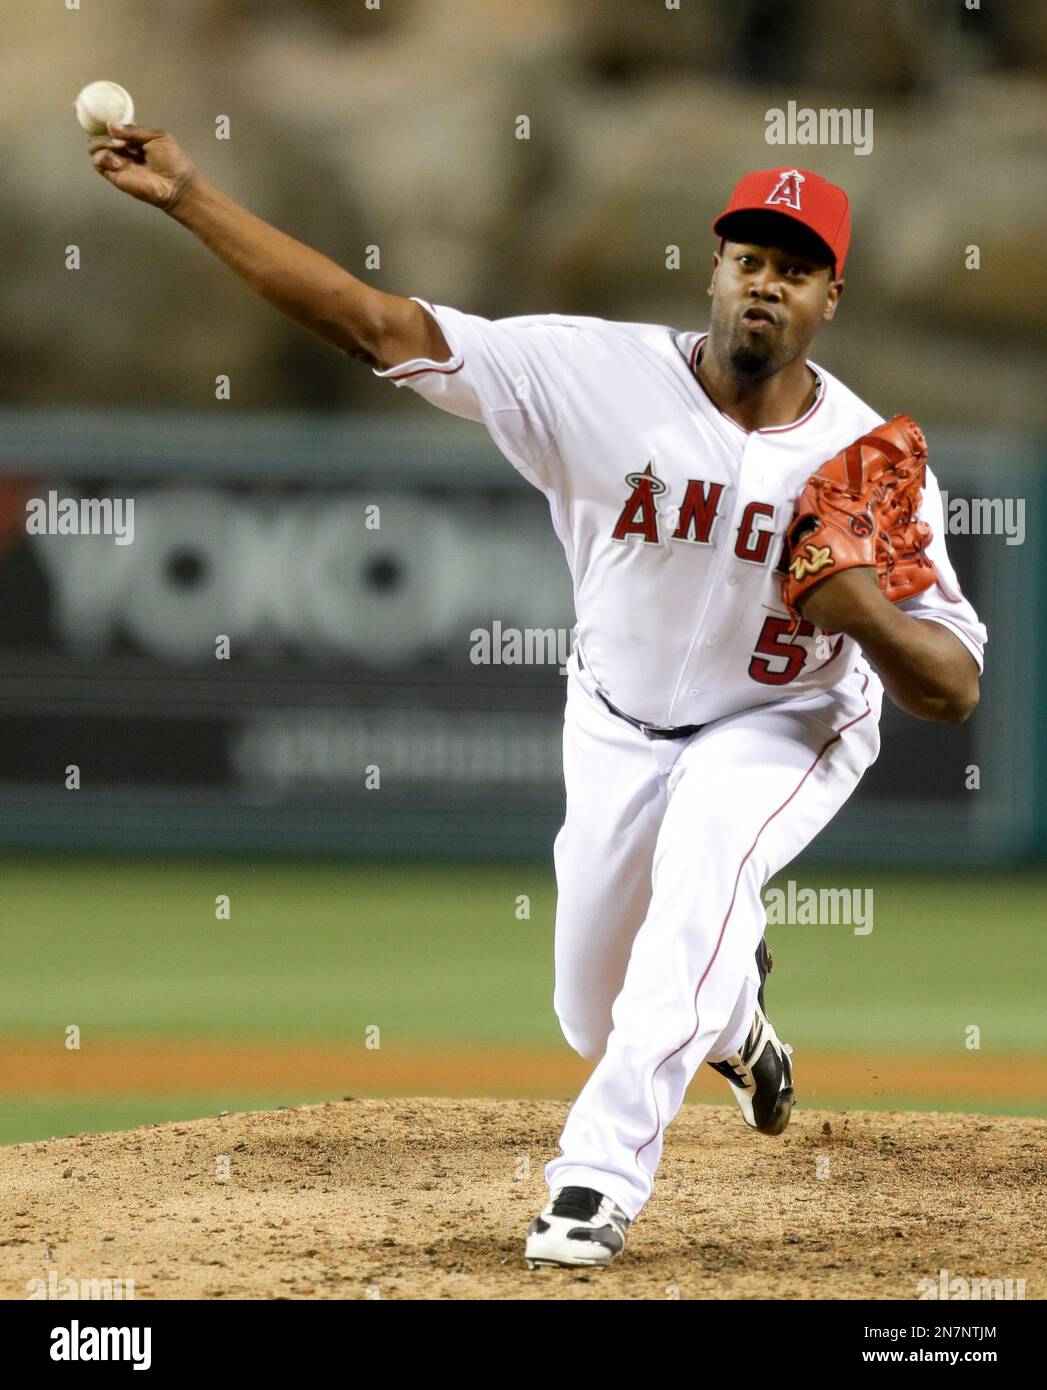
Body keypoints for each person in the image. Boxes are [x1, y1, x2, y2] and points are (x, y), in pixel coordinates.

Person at [88, 128, 986, 1269]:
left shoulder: (868, 460)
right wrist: (190, 196)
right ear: (713, 267)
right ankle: (734, 1020)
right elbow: (377, 325)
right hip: (617, 715)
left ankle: (595, 1181)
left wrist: (857, 606)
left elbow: (953, 690)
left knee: (711, 845)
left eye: (796, 266)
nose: (767, 280)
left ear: (829, 297)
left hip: (785, 720)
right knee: (592, 1008)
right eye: (750, 255)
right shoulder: (589, 373)